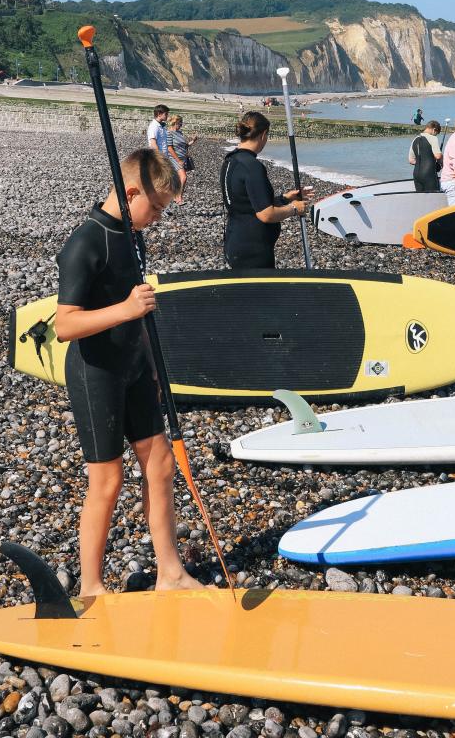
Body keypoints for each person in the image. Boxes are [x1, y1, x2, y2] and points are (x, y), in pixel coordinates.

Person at [53, 148, 202, 597]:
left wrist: (151, 364)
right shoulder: (86, 241)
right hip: (96, 371)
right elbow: (65, 326)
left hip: (135, 365)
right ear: (130, 191)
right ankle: (91, 587)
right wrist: (126, 309)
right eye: (154, 207)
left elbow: (136, 312)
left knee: (161, 465)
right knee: (108, 480)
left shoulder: (132, 236)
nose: (156, 218)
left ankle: (170, 573)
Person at [221, 111, 310, 270]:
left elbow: (247, 202)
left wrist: (284, 199)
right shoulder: (252, 167)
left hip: (235, 240)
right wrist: (295, 209)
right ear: (263, 135)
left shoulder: (231, 160)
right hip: (253, 250)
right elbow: (266, 214)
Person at [165, 115, 197, 203]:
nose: (181, 125)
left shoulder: (180, 133)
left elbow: (184, 146)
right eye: (180, 123)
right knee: (183, 177)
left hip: (183, 158)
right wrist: (178, 160)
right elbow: (169, 148)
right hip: (174, 158)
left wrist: (193, 141)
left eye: (181, 123)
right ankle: (179, 197)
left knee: (177, 178)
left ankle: (175, 196)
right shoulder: (169, 133)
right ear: (175, 123)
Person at [408, 120, 443, 192]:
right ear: (434, 129)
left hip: (416, 174)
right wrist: (440, 164)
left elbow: (411, 160)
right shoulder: (433, 138)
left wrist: (423, 163)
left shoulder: (415, 139)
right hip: (429, 174)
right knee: (433, 197)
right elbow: (438, 156)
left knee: (420, 197)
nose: (435, 135)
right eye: (436, 134)